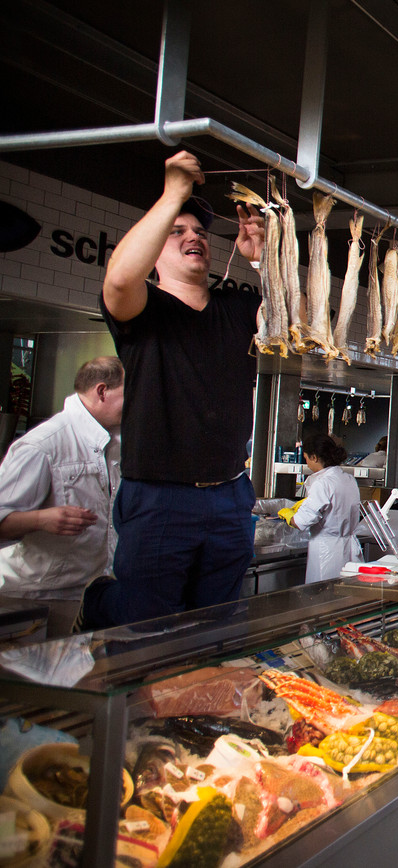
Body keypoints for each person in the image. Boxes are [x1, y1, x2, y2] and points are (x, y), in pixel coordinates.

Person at [77, 151, 264, 631]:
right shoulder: (144, 312)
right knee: (148, 630)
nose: (194, 237)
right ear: (154, 249)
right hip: (160, 498)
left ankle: (206, 703)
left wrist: (266, 261)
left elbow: (292, 324)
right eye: (177, 233)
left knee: (220, 626)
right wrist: (173, 195)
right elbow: (119, 279)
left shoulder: (237, 308)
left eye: (199, 231)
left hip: (229, 495)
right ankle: (101, 615)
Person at [0, 358, 124, 632]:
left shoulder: (115, 444)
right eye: (132, 393)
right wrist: (41, 519)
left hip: (91, 595)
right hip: (37, 600)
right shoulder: (43, 445)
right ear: (102, 391)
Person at [285, 433, 362, 584]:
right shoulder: (348, 479)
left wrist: (287, 515)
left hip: (326, 552)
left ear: (314, 457)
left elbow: (301, 522)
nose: (306, 463)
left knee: (323, 599)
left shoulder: (322, 483)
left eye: (306, 458)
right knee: (345, 598)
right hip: (348, 548)